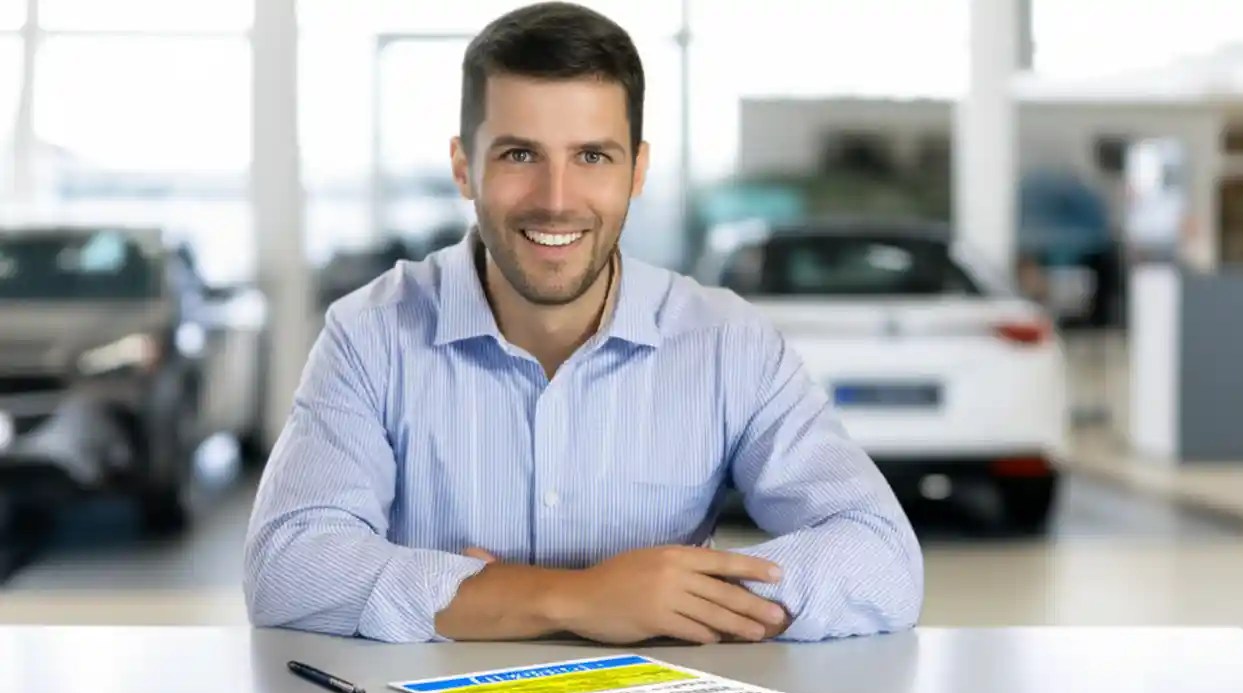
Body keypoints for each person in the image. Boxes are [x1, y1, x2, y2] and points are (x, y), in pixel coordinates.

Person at [243, 1, 923, 645]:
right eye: (519, 155)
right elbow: (290, 566)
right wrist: (576, 599)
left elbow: (881, 556)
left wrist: (668, 599)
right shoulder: (369, 335)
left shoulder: (728, 343)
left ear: (637, 170)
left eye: (592, 156)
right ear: (463, 167)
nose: (556, 200)